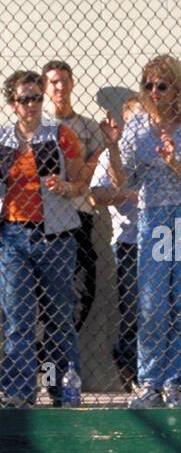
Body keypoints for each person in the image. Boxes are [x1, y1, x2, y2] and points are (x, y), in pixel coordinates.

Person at [107, 55, 181, 408]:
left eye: (162, 85)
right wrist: (113, 145)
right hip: (154, 218)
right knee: (153, 305)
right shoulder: (138, 127)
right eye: (148, 85)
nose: (155, 92)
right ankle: (149, 383)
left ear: (176, 87)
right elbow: (123, 180)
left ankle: (174, 382)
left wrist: (176, 164)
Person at [0, 69, 86, 407]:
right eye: (25, 99)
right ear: (12, 103)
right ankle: (21, 392)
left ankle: (56, 386)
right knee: (18, 320)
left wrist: (67, 187)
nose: (32, 105)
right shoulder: (3, 139)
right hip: (13, 237)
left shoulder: (60, 134)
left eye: (37, 97)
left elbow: (81, 182)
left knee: (57, 319)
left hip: (55, 236)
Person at [43, 60, 105, 338]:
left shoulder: (89, 127)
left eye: (64, 80)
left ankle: (55, 355)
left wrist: (82, 174)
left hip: (79, 215)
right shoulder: (36, 128)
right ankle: (45, 366)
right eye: (53, 81)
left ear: (72, 83)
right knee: (41, 294)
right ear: (45, 87)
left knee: (82, 291)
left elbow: (97, 170)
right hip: (43, 218)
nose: (59, 86)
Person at [89, 95, 142, 389]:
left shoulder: (160, 148)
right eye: (133, 121)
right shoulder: (113, 154)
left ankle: (154, 376)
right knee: (134, 311)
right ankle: (131, 366)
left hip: (164, 240)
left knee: (163, 311)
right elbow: (96, 195)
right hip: (129, 241)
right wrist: (130, 196)